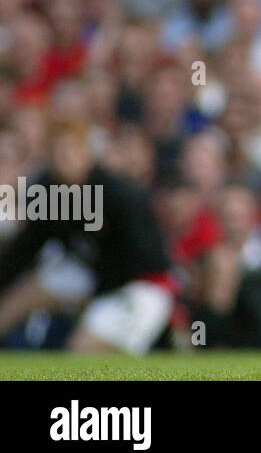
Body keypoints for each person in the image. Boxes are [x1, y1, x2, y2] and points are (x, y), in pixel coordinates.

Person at [0, 118, 177, 354]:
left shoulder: (116, 193)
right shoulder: (48, 193)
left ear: (86, 152)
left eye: (72, 149)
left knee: (81, 353)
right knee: (28, 290)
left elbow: (142, 257)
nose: (66, 159)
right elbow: (24, 250)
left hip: (136, 285)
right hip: (91, 273)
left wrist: (91, 296)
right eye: (57, 152)